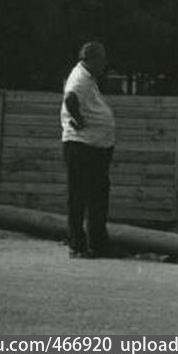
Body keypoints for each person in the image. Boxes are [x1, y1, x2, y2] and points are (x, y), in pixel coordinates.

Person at [60, 41, 115, 259]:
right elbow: (71, 99)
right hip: (82, 144)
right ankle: (78, 244)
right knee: (81, 196)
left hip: (92, 144)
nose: (103, 65)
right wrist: (79, 121)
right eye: (101, 60)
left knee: (95, 196)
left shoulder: (85, 77)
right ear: (91, 60)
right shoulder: (80, 78)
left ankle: (95, 243)